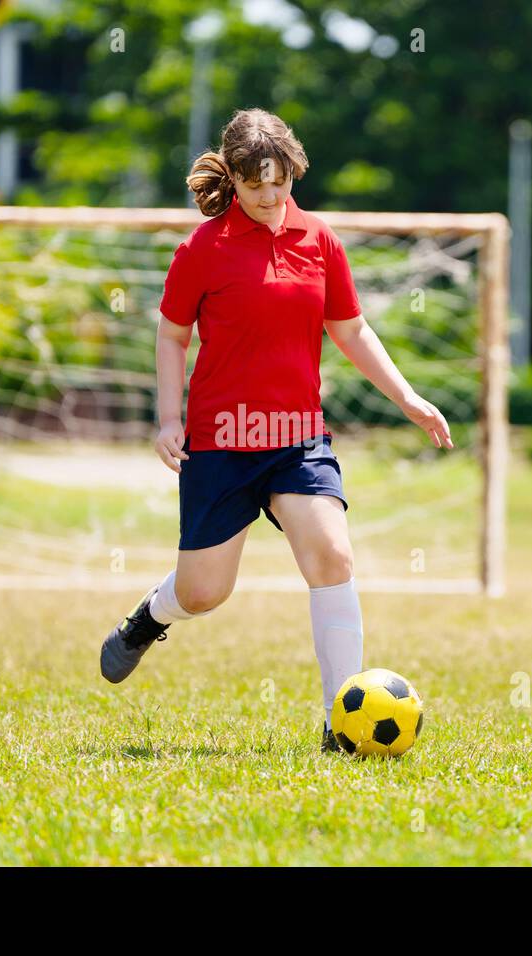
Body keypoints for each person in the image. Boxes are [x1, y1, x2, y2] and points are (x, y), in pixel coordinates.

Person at [100, 108, 453, 752]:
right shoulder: (202, 249)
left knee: (332, 554)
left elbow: (349, 328)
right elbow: (173, 335)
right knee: (206, 593)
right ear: (231, 178)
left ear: (294, 170)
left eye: (280, 180)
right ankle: (148, 619)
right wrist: (169, 419)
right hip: (221, 442)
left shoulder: (320, 240)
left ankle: (339, 724)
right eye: (255, 183)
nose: (270, 195)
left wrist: (407, 397)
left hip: (297, 439)